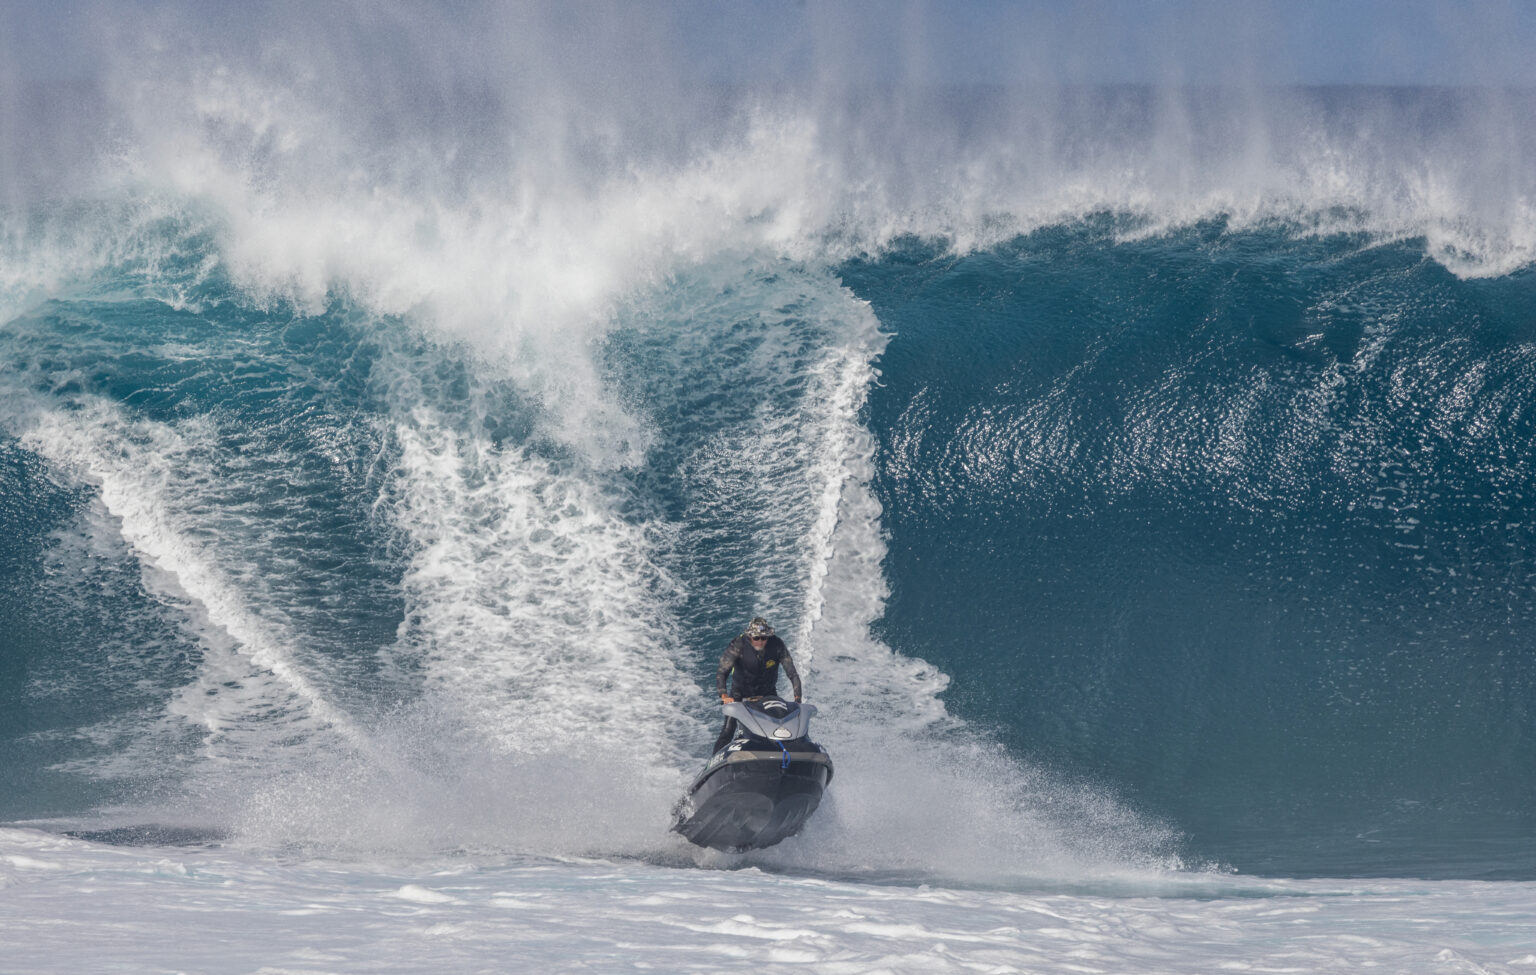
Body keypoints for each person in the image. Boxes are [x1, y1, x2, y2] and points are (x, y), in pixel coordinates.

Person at [712, 617, 802, 753]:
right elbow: (721, 673)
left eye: (764, 638)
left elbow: (792, 673)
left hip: (768, 694)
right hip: (740, 694)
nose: (760, 641)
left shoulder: (777, 645)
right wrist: (724, 695)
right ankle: (713, 763)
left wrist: (797, 698)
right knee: (728, 729)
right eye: (756, 638)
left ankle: (787, 758)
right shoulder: (738, 644)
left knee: (780, 727)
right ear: (750, 636)